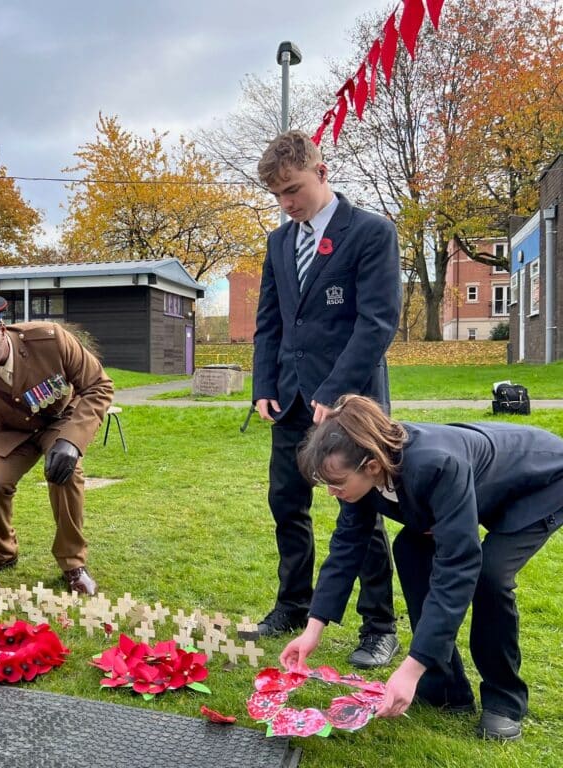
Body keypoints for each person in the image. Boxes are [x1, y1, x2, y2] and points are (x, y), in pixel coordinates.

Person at [281, 394, 563, 741]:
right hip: (478, 485)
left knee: (489, 576)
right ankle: (444, 690)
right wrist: (313, 629)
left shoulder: (435, 465)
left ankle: (504, 702)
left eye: (337, 484)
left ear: (370, 466)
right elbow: (346, 547)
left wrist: (409, 668)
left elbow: (458, 564)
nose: (332, 493)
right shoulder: (362, 473)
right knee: (411, 550)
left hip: (538, 483)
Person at [251, 129, 401, 669]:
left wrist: (336, 390)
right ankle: (293, 604)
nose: (288, 203)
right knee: (286, 505)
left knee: (362, 510)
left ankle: (379, 627)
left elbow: (378, 322)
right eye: (278, 196)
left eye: (293, 189)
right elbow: (270, 321)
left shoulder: (371, 232)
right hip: (289, 401)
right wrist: (263, 385)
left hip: (351, 404)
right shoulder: (278, 243)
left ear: (322, 171)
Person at [0, 296, 113, 595]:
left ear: (2, 330)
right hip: (7, 427)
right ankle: (0, 552)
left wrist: (72, 441)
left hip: (58, 417)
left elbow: (99, 386)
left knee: (66, 474)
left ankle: (73, 563)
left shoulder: (50, 340)